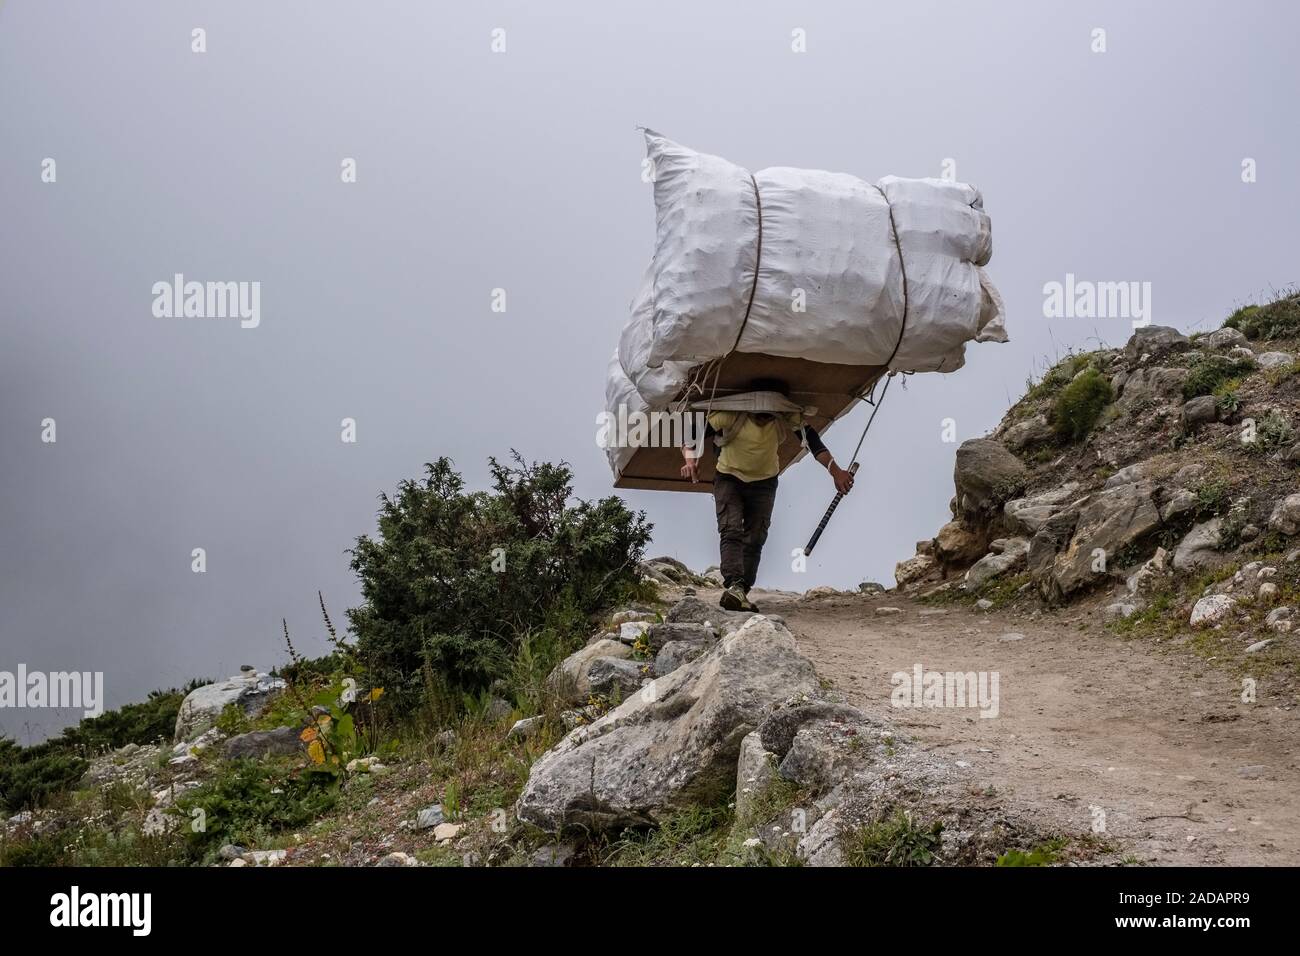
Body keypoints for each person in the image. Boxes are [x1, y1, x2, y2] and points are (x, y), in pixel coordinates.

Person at [680, 379, 854, 611]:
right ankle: (734, 585)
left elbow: (814, 444)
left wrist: (836, 472)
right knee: (730, 529)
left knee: (756, 537)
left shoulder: (784, 415)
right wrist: (690, 461)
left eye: (768, 415)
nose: (764, 419)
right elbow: (691, 437)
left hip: (765, 482)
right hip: (729, 477)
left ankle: (741, 591)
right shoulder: (731, 414)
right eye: (759, 415)